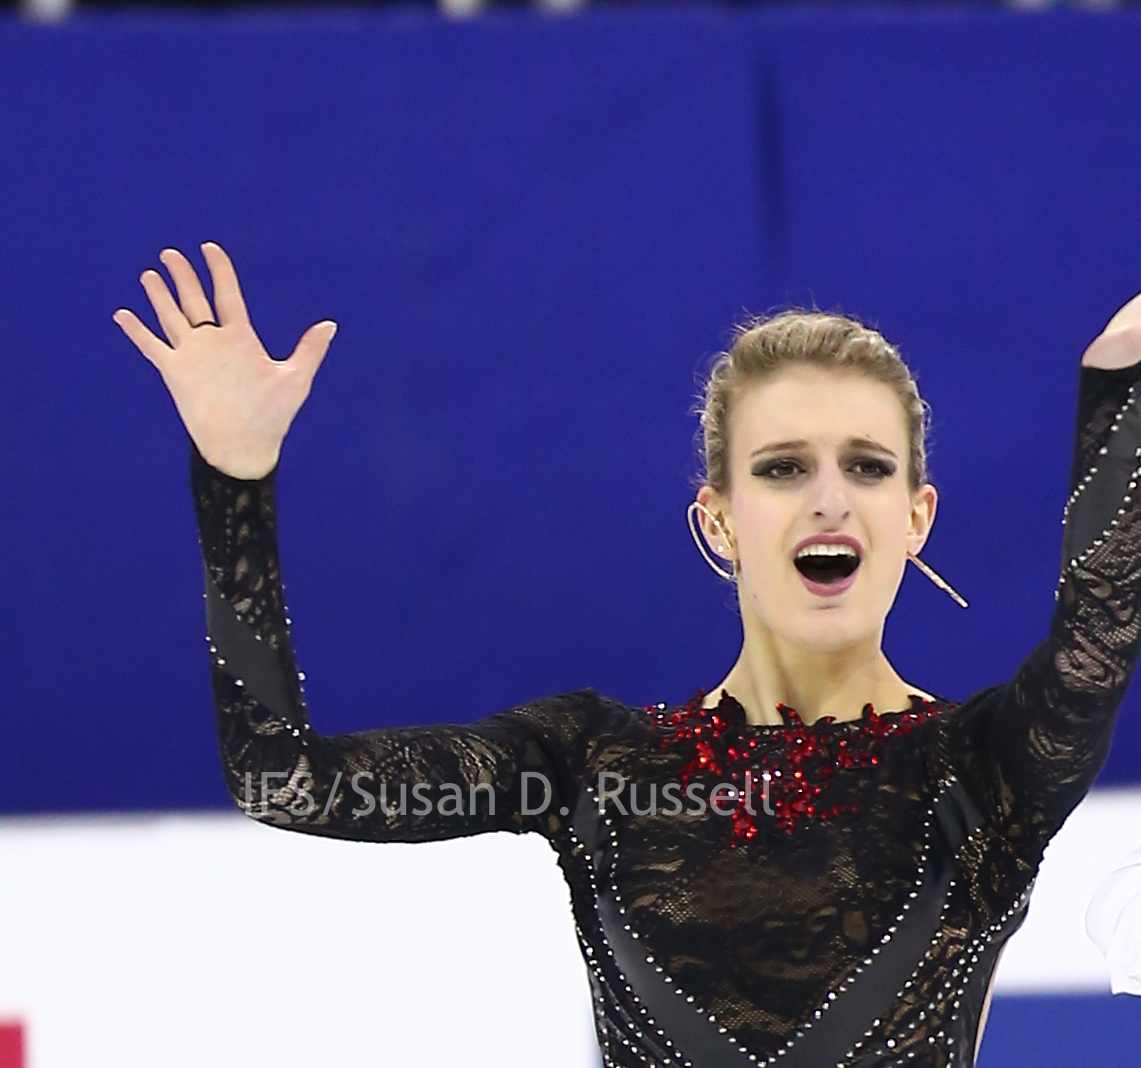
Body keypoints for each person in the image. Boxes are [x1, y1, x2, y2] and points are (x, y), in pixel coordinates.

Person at [114, 240, 1141, 1067]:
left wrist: (1119, 392)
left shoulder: (985, 771)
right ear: (722, 519)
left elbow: (1096, 632)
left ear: (914, 517)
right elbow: (283, 781)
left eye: (866, 467)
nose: (829, 496)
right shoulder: (595, 763)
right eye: (782, 467)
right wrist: (232, 479)